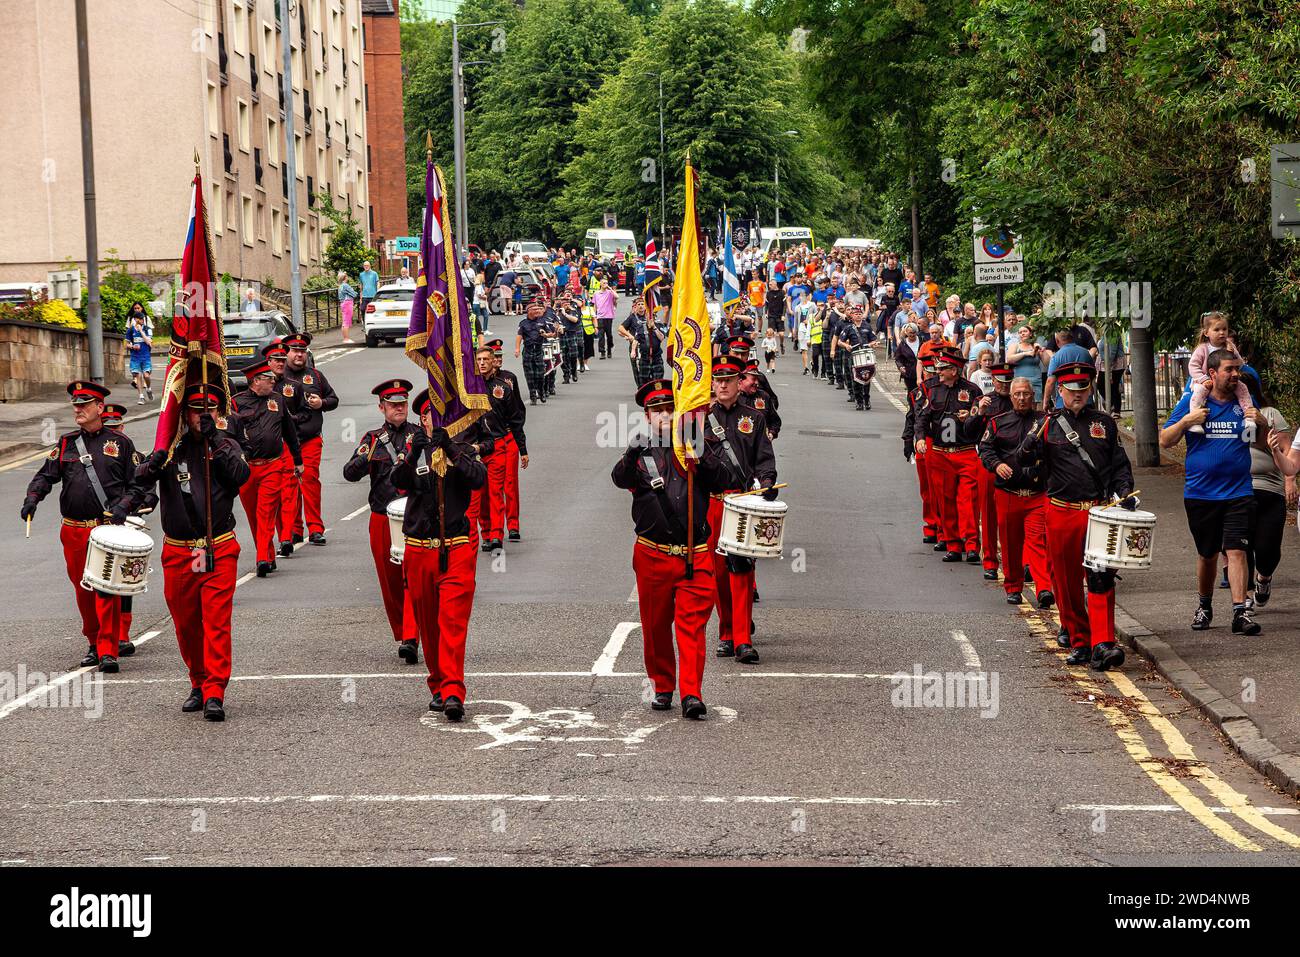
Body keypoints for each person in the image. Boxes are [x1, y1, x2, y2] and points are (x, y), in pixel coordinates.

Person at [612, 378, 739, 719]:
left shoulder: (696, 445)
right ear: (647, 416)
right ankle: (663, 685)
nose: (665, 416)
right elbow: (619, 479)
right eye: (658, 411)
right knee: (655, 628)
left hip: (694, 554)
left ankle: (692, 693)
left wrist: (702, 455)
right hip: (652, 552)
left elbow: (726, 480)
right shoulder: (641, 451)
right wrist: (630, 453)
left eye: (670, 409)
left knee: (692, 626)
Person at [135, 380, 249, 721]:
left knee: (215, 622)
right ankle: (197, 681)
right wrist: (154, 461)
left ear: (219, 412)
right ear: (184, 414)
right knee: (186, 624)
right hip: (179, 552)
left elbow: (240, 475)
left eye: (210, 410)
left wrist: (215, 436)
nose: (203, 416)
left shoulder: (226, 444)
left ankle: (215, 690)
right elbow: (139, 480)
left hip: (219, 547)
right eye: (197, 411)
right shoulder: (172, 448)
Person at [1019, 360, 1136, 668]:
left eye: (1083, 389)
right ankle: (1080, 640)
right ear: (1060, 390)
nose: (1077, 395)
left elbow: (1120, 465)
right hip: (1061, 512)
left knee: (1101, 577)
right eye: (1071, 390)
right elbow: (1025, 459)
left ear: (1090, 389)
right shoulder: (1049, 423)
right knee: (1067, 582)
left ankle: (1103, 643)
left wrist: (1124, 491)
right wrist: (1030, 444)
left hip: (1098, 511)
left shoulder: (1105, 423)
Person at [21, 381, 144, 672]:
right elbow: (45, 476)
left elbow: (138, 485)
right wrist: (32, 499)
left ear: (99, 408)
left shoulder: (121, 444)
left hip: (106, 529)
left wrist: (123, 507)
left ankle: (108, 649)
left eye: (84, 404)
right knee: (83, 589)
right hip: (74, 529)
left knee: (106, 590)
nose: (77, 408)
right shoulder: (66, 443)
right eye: (76, 404)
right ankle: (93, 642)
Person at [390, 388, 488, 722]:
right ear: (422, 418)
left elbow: (478, 480)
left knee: (452, 623)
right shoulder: (413, 449)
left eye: (440, 414)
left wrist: (450, 450)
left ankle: (453, 690)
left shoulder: (460, 448)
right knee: (429, 627)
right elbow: (398, 484)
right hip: (419, 549)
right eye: (428, 414)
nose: (433, 419)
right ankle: (438, 683)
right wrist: (410, 457)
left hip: (456, 547)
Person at [1159, 349, 1263, 635]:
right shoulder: (1192, 402)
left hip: (1239, 492)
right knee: (1208, 555)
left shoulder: (1244, 402)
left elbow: (1263, 439)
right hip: (1201, 494)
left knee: (1237, 550)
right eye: (1228, 370)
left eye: (1236, 369)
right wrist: (1186, 421)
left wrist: (1260, 421)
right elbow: (1165, 440)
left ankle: (1240, 612)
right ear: (1213, 373)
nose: (1234, 375)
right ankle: (1204, 606)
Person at [343, 379, 422, 664]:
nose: (399, 408)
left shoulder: (419, 434)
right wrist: (365, 458)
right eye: (392, 404)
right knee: (390, 581)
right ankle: (403, 633)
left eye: (402, 403)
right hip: (382, 518)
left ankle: (412, 637)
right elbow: (349, 473)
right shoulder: (372, 438)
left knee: (412, 578)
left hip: (414, 516)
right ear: (382, 407)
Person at [706, 355, 777, 664]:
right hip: (711, 503)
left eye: (729, 379)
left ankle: (743, 640)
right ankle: (726, 632)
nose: (723, 384)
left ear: (739, 383)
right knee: (718, 573)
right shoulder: (698, 420)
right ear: (712, 383)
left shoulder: (755, 418)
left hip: (743, 501)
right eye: (718, 380)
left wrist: (768, 481)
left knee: (743, 569)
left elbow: (763, 457)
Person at [978, 377, 1053, 606]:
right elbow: (985, 449)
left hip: (1036, 494)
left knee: (1037, 541)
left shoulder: (1045, 422)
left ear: (1033, 397)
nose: (1022, 398)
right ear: (1011, 398)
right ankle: (1013, 586)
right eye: (1017, 394)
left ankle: (1043, 589)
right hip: (1008, 494)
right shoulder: (997, 422)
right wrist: (996, 465)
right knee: (1010, 544)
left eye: (1026, 394)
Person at [233, 358, 302, 576]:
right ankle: (268, 553)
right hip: (247, 469)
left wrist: (298, 460)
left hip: (273, 465)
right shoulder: (236, 403)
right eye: (269, 379)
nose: (273, 381)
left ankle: (261, 557)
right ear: (255, 381)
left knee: (266, 511)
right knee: (253, 515)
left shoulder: (278, 400)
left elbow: (289, 432)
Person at [914, 346, 982, 562]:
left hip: (965, 453)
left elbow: (980, 424)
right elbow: (922, 418)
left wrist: (969, 419)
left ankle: (971, 545)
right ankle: (953, 545)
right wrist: (920, 438)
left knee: (967, 501)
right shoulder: (933, 391)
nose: (938, 372)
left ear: (954, 370)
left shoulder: (973, 391)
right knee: (946, 500)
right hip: (941, 454)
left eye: (943, 368)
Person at [278, 332, 337, 550]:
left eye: (302, 351)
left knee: (310, 481)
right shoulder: (277, 376)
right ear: (287, 353)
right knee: (289, 484)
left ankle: (316, 529)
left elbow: (333, 399)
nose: (299, 355)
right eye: (295, 351)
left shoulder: (317, 376)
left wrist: (320, 402)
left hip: (310, 439)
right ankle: (294, 530)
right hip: (285, 441)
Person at [1240, 372, 1292, 609]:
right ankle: (1247, 593)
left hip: (1269, 489)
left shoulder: (1271, 414)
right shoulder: (1229, 415)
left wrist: (1291, 481)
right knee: (1242, 545)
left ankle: (1264, 577)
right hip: (1238, 489)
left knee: (1267, 547)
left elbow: (1287, 450)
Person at [1185, 312, 1253, 434]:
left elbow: (1240, 363)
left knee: (1242, 388)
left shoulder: (1230, 346)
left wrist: (1232, 354)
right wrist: (1203, 379)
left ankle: (1249, 417)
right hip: (1205, 381)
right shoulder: (1202, 349)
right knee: (1199, 391)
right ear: (1206, 333)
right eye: (1217, 329)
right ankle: (1195, 421)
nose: (1222, 332)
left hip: (1224, 382)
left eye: (1224, 329)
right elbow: (1193, 366)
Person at [515, 296, 558, 405]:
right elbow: (519, 336)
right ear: (529, 311)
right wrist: (517, 349)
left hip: (539, 351)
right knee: (529, 374)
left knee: (540, 374)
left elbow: (551, 334)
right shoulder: (523, 323)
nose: (537, 311)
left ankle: (541, 392)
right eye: (534, 309)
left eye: (537, 309)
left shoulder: (542, 321)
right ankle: (533, 395)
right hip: (528, 351)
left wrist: (548, 334)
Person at [1042, 329, 1092, 410]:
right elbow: (1092, 375)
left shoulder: (1056, 357)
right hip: (1085, 400)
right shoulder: (1086, 353)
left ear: (1057, 341)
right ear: (1072, 338)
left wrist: (1046, 403)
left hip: (1064, 402)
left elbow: (1050, 382)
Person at [1006, 325, 1045, 403]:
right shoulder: (1015, 346)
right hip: (1020, 382)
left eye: (1025, 331)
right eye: (1020, 332)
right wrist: (1026, 354)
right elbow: (1009, 360)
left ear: (1030, 334)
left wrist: (1042, 350)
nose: (1022, 334)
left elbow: (1047, 362)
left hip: (1035, 381)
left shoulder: (1035, 346)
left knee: (1036, 405)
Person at [124, 302, 154, 404]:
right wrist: (132, 346)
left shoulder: (147, 329)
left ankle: (149, 388)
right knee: (138, 376)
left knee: (146, 376)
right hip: (135, 356)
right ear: (136, 320)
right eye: (140, 319)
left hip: (145, 356)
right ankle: (141, 396)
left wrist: (141, 332)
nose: (142, 321)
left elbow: (149, 342)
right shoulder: (130, 331)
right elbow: (127, 344)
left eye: (142, 319)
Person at [594, 281, 617, 360]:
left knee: (609, 335)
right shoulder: (596, 293)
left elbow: (617, 297)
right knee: (601, 335)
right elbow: (595, 305)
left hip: (608, 316)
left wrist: (609, 288)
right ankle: (602, 352)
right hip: (600, 317)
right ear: (600, 284)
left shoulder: (610, 292)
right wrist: (594, 315)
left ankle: (609, 349)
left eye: (606, 283)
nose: (605, 284)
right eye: (603, 283)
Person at [337, 272, 357, 343]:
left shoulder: (340, 286)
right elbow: (354, 294)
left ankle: (345, 338)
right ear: (345, 278)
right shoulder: (346, 286)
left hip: (343, 303)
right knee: (347, 321)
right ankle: (346, 339)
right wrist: (355, 293)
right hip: (348, 303)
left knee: (344, 321)